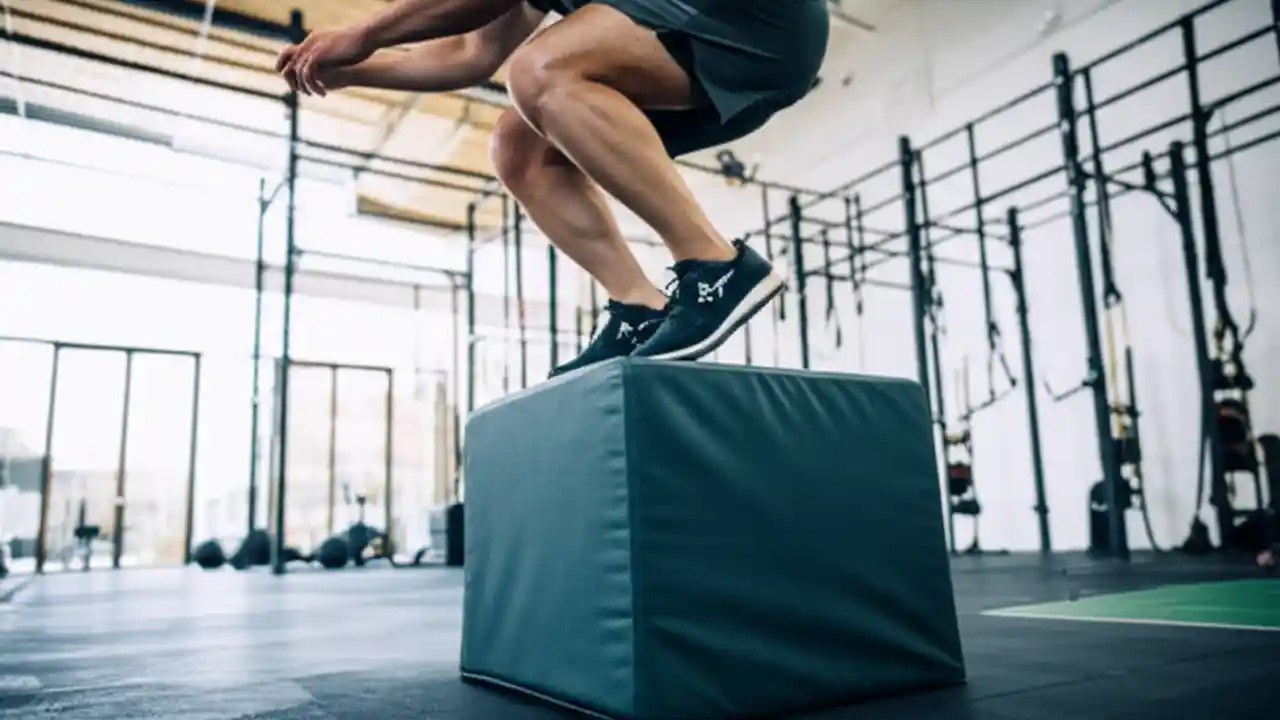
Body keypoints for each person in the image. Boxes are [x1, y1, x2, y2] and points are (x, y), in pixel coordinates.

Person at [278, 0, 830, 375]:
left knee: (541, 70)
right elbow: (471, 54)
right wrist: (352, 69)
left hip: (755, 20)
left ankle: (716, 266)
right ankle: (639, 306)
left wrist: (365, 33)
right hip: (697, 48)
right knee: (519, 148)